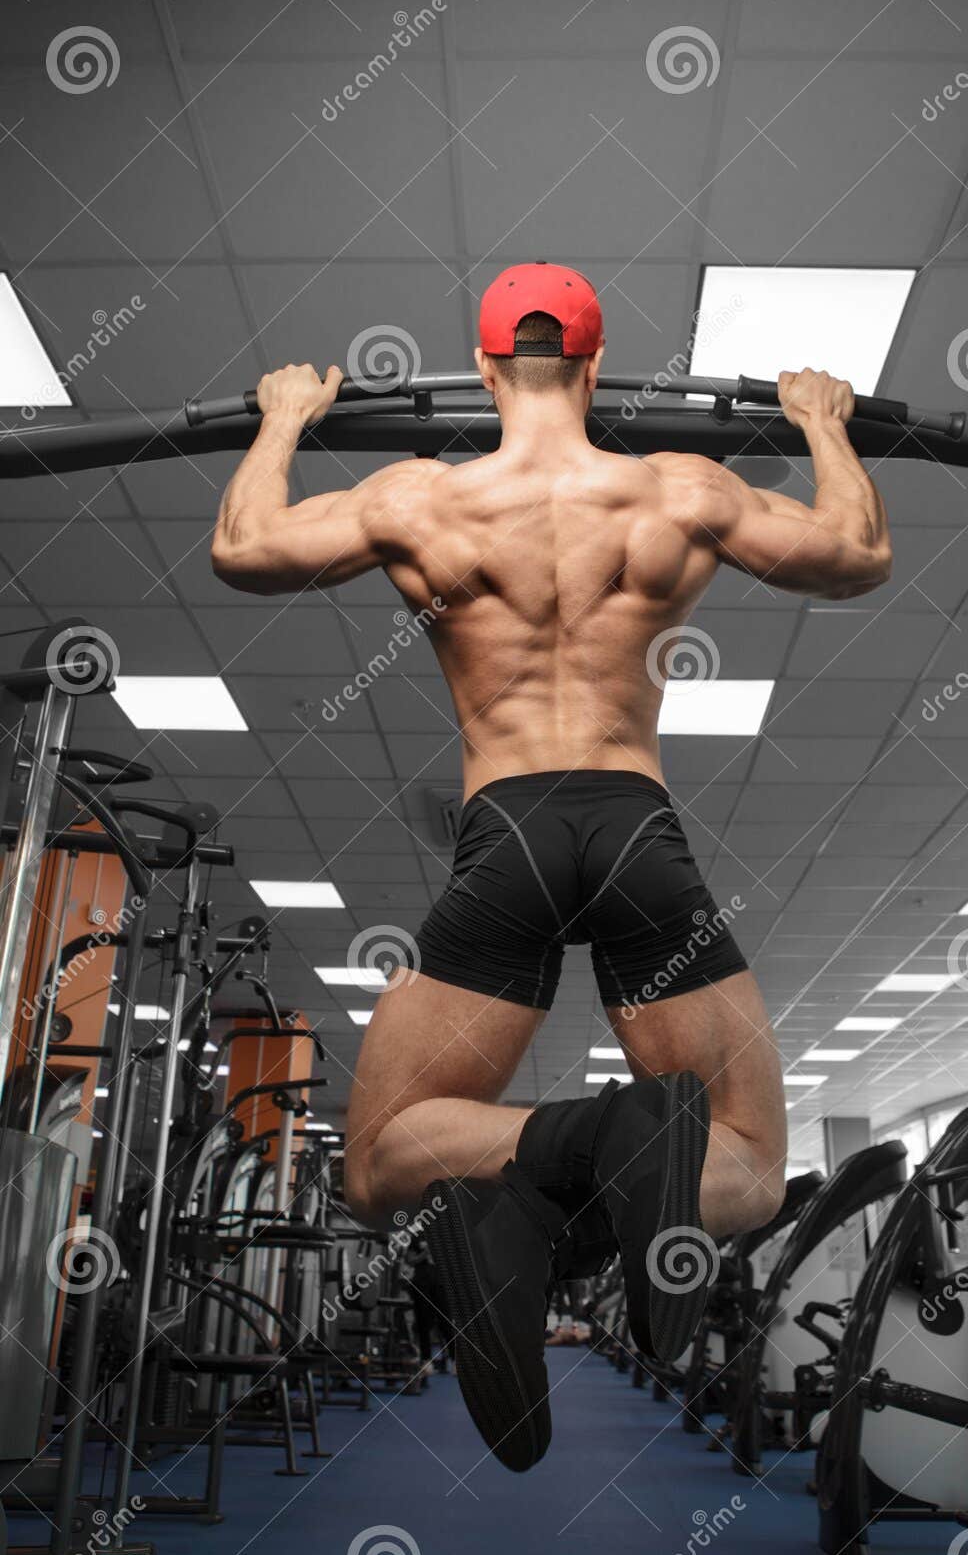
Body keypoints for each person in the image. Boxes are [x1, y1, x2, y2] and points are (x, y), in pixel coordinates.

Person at [211, 262, 892, 1470]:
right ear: (591, 365)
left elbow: (244, 545)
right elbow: (853, 552)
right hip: (638, 830)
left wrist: (280, 421)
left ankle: (551, 1167)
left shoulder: (421, 496)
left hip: (508, 831)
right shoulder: (679, 487)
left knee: (376, 1168)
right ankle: (608, 1150)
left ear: (481, 368)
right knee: (746, 1160)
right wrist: (821, 428)